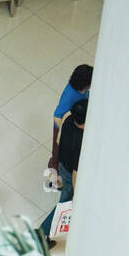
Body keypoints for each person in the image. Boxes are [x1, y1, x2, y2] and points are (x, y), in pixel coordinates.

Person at [39, 98, 88, 245]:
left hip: (62, 164)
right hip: (69, 173)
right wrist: (77, 192)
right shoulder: (80, 142)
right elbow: (75, 174)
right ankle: (42, 234)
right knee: (64, 204)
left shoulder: (68, 119)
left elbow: (59, 140)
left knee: (65, 194)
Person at [48, 63, 92, 177]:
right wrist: (61, 132)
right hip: (62, 126)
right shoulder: (70, 96)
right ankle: (53, 173)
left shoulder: (81, 90)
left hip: (72, 121)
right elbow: (57, 115)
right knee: (57, 153)